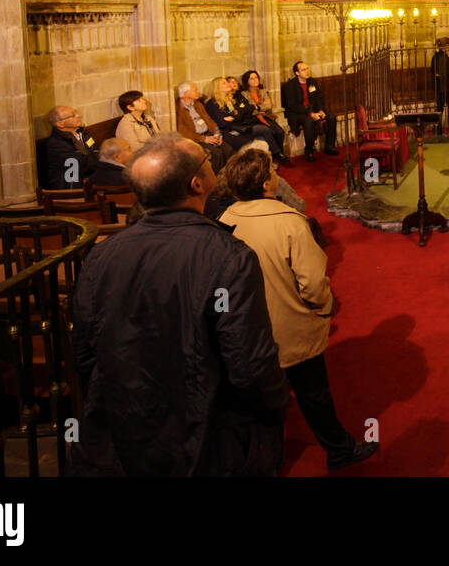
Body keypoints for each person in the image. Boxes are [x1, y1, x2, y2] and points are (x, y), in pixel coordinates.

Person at [69, 133, 289, 476]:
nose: (212, 162)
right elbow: (249, 365)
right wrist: (275, 405)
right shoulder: (229, 257)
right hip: (204, 438)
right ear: (197, 183)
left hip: (125, 434)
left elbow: (85, 353)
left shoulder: (101, 254)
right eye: (205, 159)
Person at [218, 147, 378, 472]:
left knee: (261, 401)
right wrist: (324, 308)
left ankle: (266, 461)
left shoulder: (224, 219)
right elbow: (314, 284)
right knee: (313, 392)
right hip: (289, 328)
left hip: (245, 330)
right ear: (266, 184)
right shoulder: (290, 223)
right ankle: (339, 449)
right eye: (273, 172)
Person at [207, 76, 287, 162]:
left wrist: (233, 117)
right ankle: (274, 155)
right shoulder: (212, 103)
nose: (228, 84)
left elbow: (239, 114)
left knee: (265, 133)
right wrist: (235, 116)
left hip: (238, 126)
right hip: (227, 132)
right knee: (259, 135)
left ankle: (274, 156)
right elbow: (222, 122)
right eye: (224, 83)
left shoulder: (229, 100)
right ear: (217, 87)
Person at [282, 62, 338, 160]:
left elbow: (318, 97)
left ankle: (329, 146)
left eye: (307, 68)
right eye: (303, 70)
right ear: (297, 73)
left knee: (332, 117)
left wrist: (320, 110)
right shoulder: (291, 85)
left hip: (314, 110)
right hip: (298, 114)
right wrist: (311, 114)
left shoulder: (312, 81)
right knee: (309, 120)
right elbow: (292, 106)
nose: (307, 71)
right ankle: (309, 150)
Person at [176, 81, 234, 171]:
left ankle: (228, 175)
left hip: (209, 134)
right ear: (186, 94)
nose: (198, 92)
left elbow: (209, 120)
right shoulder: (178, 109)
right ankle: (215, 180)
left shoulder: (198, 104)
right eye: (195, 90)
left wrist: (217, 133)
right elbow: (183, 132)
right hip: (196, 139)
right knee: (217, 154)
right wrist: (204, 139)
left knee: (228, 149)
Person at [44, 105, 99, 189]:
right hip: (71, 188)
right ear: (60, 124)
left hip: (89, 180)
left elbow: (97, 150)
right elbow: (82, 164)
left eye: (76, 113)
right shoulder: (56, 144)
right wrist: (102, 158)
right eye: (73, 115)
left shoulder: (83, 134)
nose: (79, 116)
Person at [240, 70, 286, 153]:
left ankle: (280, 153)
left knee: (280, 132)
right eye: (251, 79)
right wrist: (261, 106)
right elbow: (250, 110)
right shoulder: (244, 94)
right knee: (270, 132)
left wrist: (257, 107)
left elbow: (269, 105)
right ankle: (278, 154)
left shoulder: (263, 91)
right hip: (254, 119)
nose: (255, 80)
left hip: (266, 116)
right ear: (247, 81)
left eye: (256, 78)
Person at [430, 37, 449, 134]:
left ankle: (439, 130)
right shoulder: (442, 57)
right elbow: (444, 73)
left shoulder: (437, 56)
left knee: (440, 109)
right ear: (445, 46)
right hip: (444, 88)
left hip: (440, 87)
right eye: (448, 45)